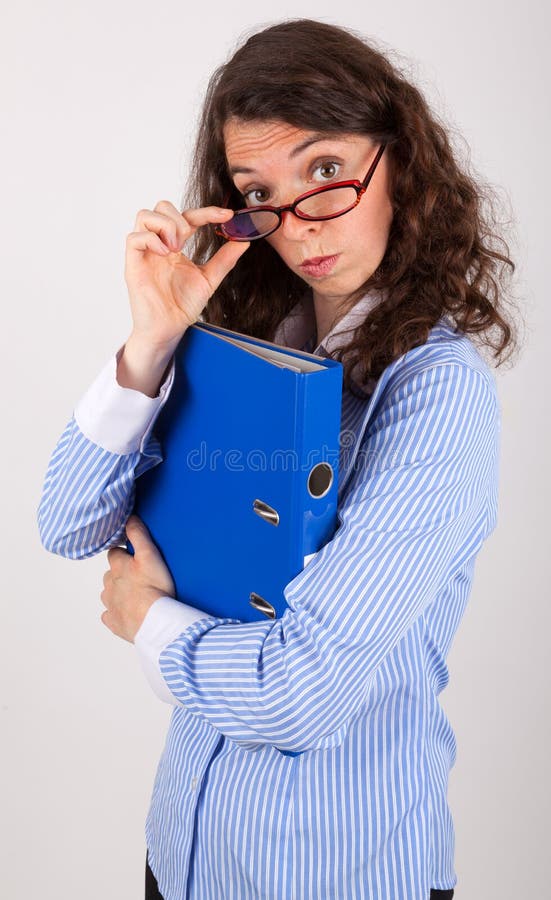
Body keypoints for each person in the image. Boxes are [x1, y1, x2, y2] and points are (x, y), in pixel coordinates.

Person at [37, 18, 518, 900]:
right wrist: (152, 341)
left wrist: (149, 620)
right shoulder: (248, 349)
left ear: (398, 165)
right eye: (261, 189)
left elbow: (302, 692)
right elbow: (68, 522)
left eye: (327, 173)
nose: (297, 226)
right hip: (185, 849)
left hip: (333, 872)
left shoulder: (438, 393)